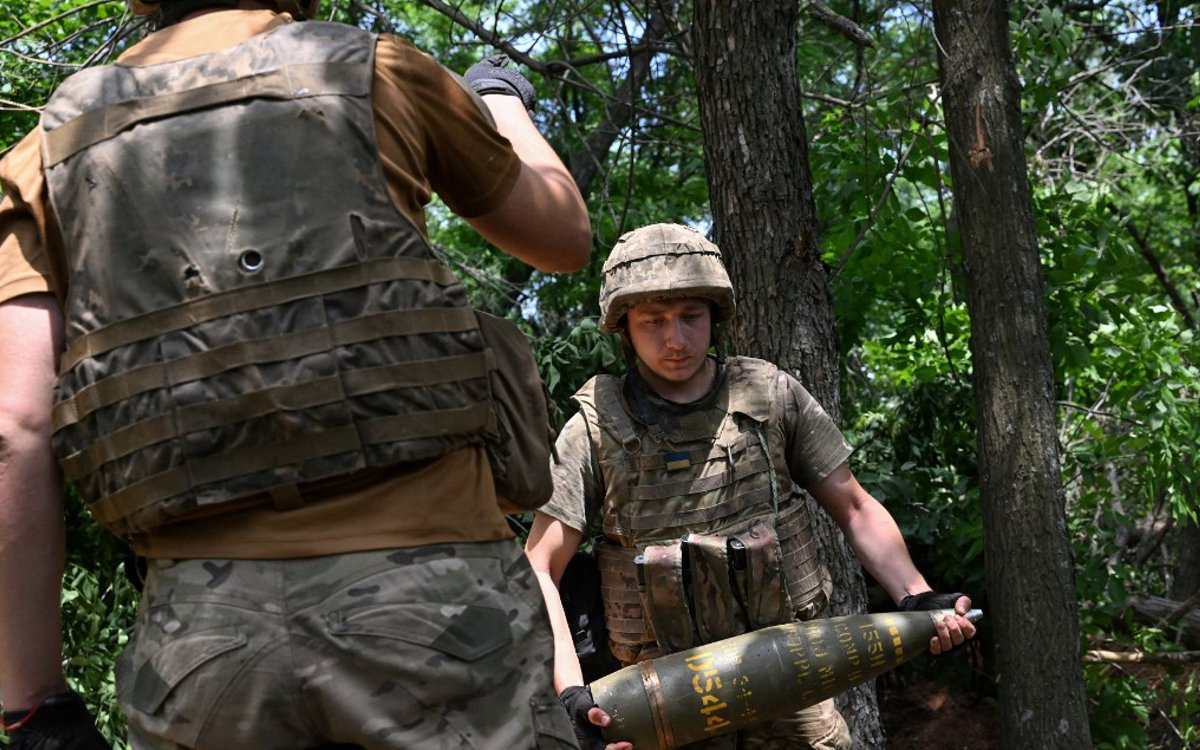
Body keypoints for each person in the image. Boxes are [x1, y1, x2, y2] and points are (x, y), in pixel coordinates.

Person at [0, 0, 590, 747]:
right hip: (437, 616)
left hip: (203, 646)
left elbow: (15, 428)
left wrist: (34, 707)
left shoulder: (46, 151)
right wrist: (500, 106)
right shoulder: (378, 71)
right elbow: (562, 236)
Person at [524, 223, 977, 750]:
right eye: (653, 321)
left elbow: (853, 506)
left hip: (792, 686)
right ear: (624, 327)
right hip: (660, 705)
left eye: (691, 317)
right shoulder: (597, 426)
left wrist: (916, 595)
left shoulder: (769, 395)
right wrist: (572, 695)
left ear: (715, 316)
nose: (675, 339)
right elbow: (540, 566)